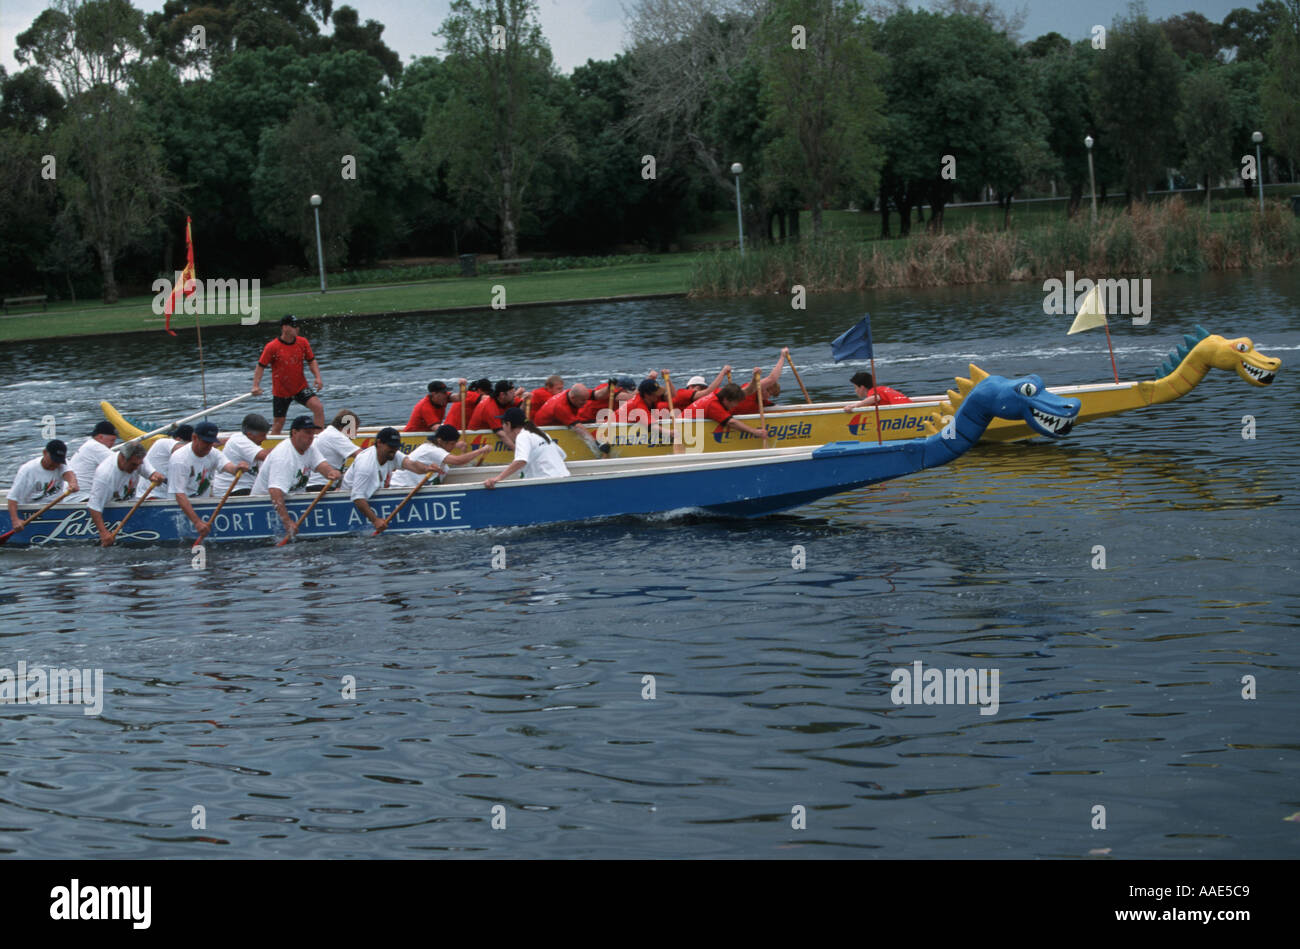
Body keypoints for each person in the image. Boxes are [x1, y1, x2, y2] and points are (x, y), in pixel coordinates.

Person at [251, 416, 343, 540]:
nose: (311, 437)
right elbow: (275, 492)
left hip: (293, 499)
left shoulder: (309, 448)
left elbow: (322, 465)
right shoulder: (283, 456)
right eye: (307, 432)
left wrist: (331, 472)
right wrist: (287, 522)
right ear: (294, 433)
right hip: (263, 506)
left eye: (312, 433)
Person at [343, 427, 443, 531]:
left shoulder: (393, 454)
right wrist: (375, 520)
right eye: (390, 446)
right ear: (379, 443)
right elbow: (357, 498)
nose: (394, 450)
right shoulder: (366, 465)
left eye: (396, 447)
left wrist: (427, 468)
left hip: (371, 494)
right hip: (348, 499)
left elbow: (412, 465)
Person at [169, 421, 248, 542]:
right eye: (206, 442)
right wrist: (197, 522)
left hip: (202, 503)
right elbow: (179, 494)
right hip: (180, 507)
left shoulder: (213, 454)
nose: (209, 446)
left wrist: (238, 468)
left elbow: (229, 467)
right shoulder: (180, 459)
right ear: (194, 438)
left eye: (211, 443)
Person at [251, 314, 325, 434]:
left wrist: (317, 377)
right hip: (281, 392)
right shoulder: (272, 347)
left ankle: (319, 439)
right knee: (279, 424)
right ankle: (270, 447)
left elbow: (311, 361)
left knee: (318, 408)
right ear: (284, 328)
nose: (297, 329)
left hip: (300, 388)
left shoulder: (303, 342)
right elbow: (260, 367)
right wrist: (255, 385)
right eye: (293, 326)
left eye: (297, 326)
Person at [88, 441, 164, 547]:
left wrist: (157, 477)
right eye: (133, 465)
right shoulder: (105, 475)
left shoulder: (138, 459)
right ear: (123, 458)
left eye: (139, 465)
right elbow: (94, 507)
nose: (136, 468)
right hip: (110, 509)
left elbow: (152, 474)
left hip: (127, 505)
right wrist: (103, 533)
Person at [484, 408, 570, 487]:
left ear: (508, 424)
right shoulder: (541, 433)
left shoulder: (522, 436)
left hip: (547, 484)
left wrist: (498, 478)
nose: (502, 428)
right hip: (565, 479)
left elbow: (521, 460)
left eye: (503, 424)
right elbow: (562, 455)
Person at [390, 425, 493, 489]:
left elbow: (460, 463)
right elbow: (457, 461)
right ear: (440, 441)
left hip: (411, 487)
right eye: (452, 444)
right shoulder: (430, 449)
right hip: (399, 487)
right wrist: (481, 450)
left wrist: (463, 452)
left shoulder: (439, 452)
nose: (453, 447)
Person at [6, 440, 76, 529]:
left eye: (58, 462)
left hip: (54, 509)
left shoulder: (62, 463)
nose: (55, 464)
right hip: (31, 508)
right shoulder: (27, 470)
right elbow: (12, 498)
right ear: (44, 453)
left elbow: (68, 473)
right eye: (53, 460)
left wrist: (72, 483)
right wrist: (15, 520)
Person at [681, 383, 770, 439]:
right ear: (726, 400)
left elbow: (747, 391)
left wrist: (754, 378)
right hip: (682, 429)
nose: (735, 406)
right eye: (735, 403)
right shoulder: (713, 405)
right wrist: (755, 432)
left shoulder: (718, 392)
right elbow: (731, 423)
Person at [213, 413, 270, 497]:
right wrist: (288, 445)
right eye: (263, 435)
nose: (265, 438)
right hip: (231, 490)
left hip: (247, 487)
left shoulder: (253, 443)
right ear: (250, 434)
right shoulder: (239, 440)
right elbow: (265, 456)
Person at [308, 409, 364, 488]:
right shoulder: (335, 436)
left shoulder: (329, 433)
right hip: (320, 486)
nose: (355, 434)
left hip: (321, 484)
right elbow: (363, 456)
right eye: (355, 430)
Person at [66, 421, 118, 502]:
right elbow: (121, 463)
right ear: (100, 437)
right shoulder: (95, 447)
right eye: (112, 440)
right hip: (80, 498)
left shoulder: (89, 445)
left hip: (79, 496)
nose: (113, 444)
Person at [138, 424, 193, 496]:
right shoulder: (163, 442)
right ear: (178, 440)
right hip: (151, 495)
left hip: (167, 495)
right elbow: (182, 450)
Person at [467, 380, 525, 446]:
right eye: (512, 393)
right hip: (475, 440)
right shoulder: (489, 407)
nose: (515, 395)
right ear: (502, 395)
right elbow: (501, 434)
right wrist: (518, 451)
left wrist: (525, 401)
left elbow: (522, 410)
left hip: (492, 435)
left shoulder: (509, 400)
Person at [843, 371, 912, 410]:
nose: (855, 391)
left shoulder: (874, 392)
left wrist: (854, 406)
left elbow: (875, 397)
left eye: (855, 388)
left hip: (904, 410)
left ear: (862, 387)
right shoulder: (882, 388)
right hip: (909, 407)